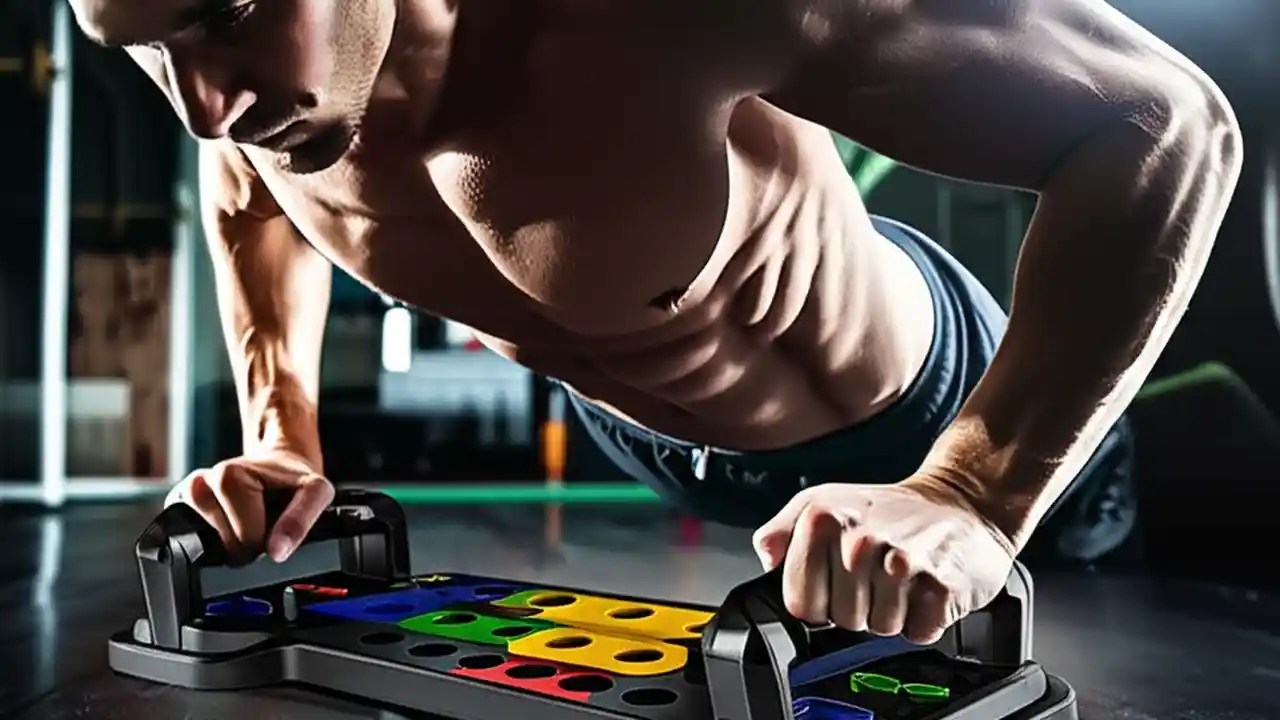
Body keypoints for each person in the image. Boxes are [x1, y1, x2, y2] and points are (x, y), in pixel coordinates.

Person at [69, 0, 1240, 645]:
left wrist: (972, 494)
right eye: (147, 49)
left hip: (925, 412)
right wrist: (281, 436)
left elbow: (1163, 124)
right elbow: (244, 201)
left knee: (1112, 622)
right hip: (664, 452)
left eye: (229, 13)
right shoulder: (267, 114)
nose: (202, 105)